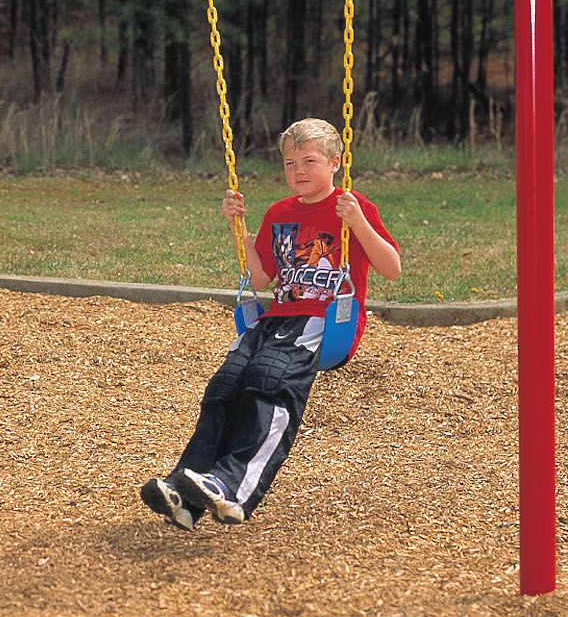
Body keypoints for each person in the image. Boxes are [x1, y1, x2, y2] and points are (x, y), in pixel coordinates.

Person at [140, 116, 400, 528]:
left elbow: (392, 269)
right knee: (224, 387)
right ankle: (185, 492)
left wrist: (358, 224)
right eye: (289, 163)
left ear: (335, 164)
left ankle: (233, 487)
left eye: (309, 161)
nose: (298, 171)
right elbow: (261, 279)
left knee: (268, 382)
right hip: (275, 317)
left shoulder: (353, 206)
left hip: (325, 321)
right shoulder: (280, 213)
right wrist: (237, 229)